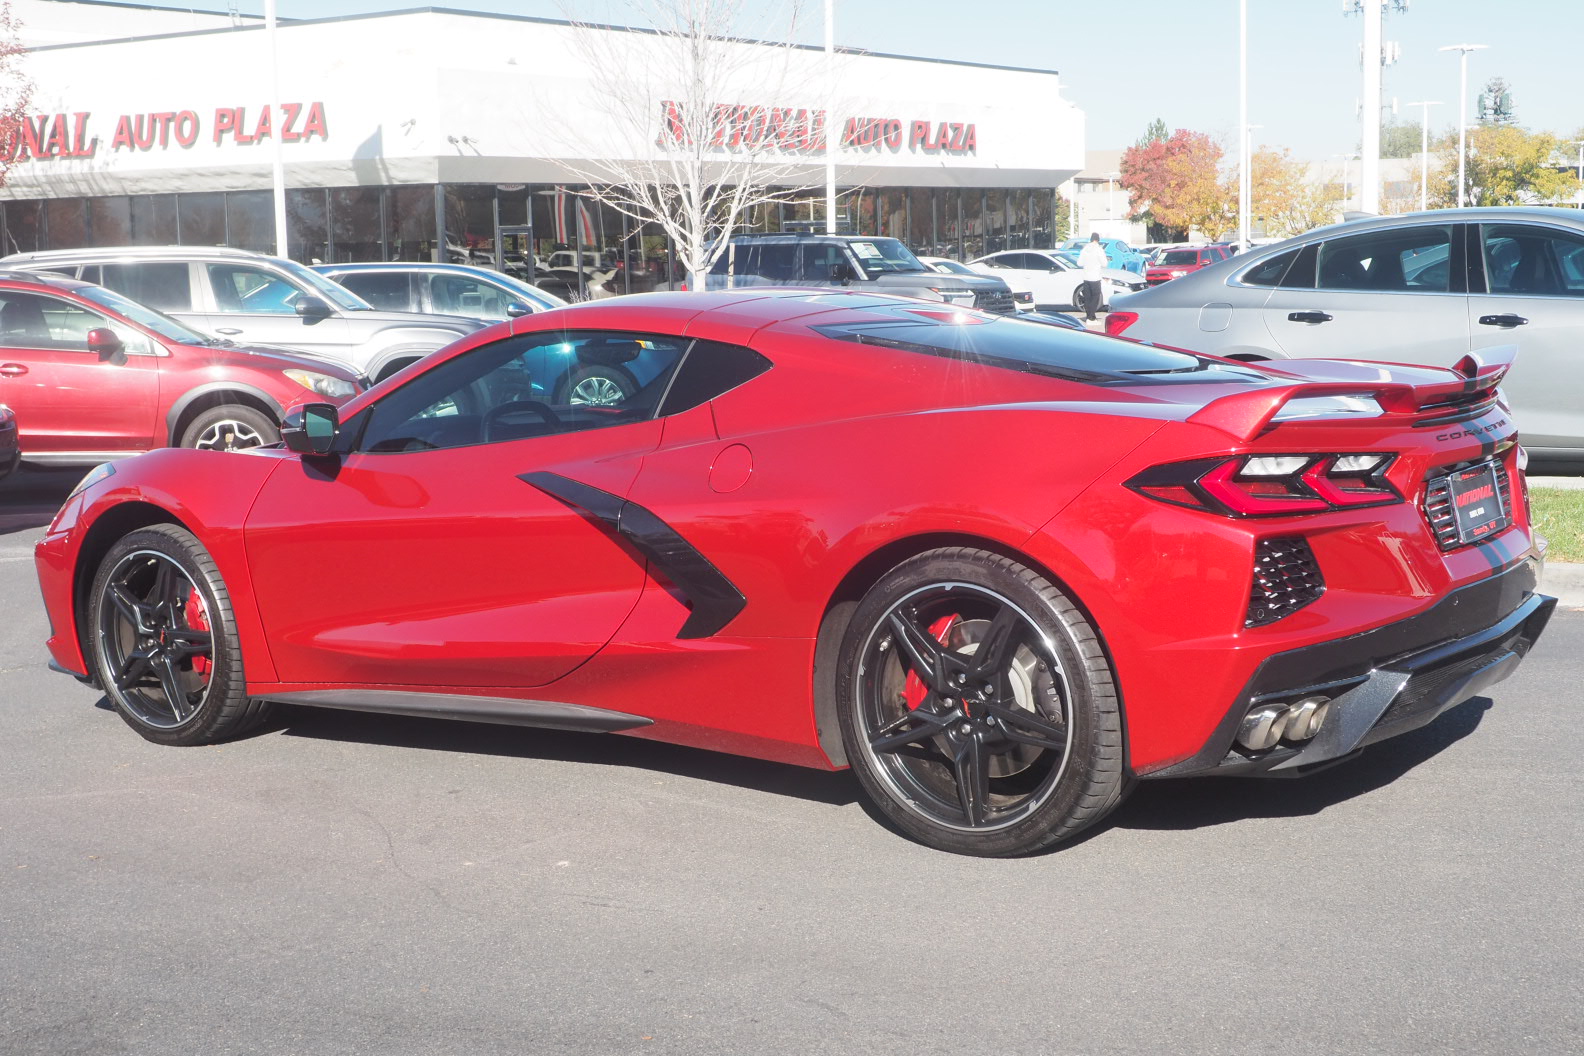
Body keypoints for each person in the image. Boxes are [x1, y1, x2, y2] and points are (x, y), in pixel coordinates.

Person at [1077, 232, 1108, 323]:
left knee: (1087, 297)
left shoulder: (1085, 250)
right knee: (1095, 297)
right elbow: (1104, 264)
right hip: (1095, 277)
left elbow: (1079, 263)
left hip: (1086, 277)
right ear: (1098, 240)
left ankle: (1088, 316)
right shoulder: (1099, 250)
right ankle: (1091, 317)